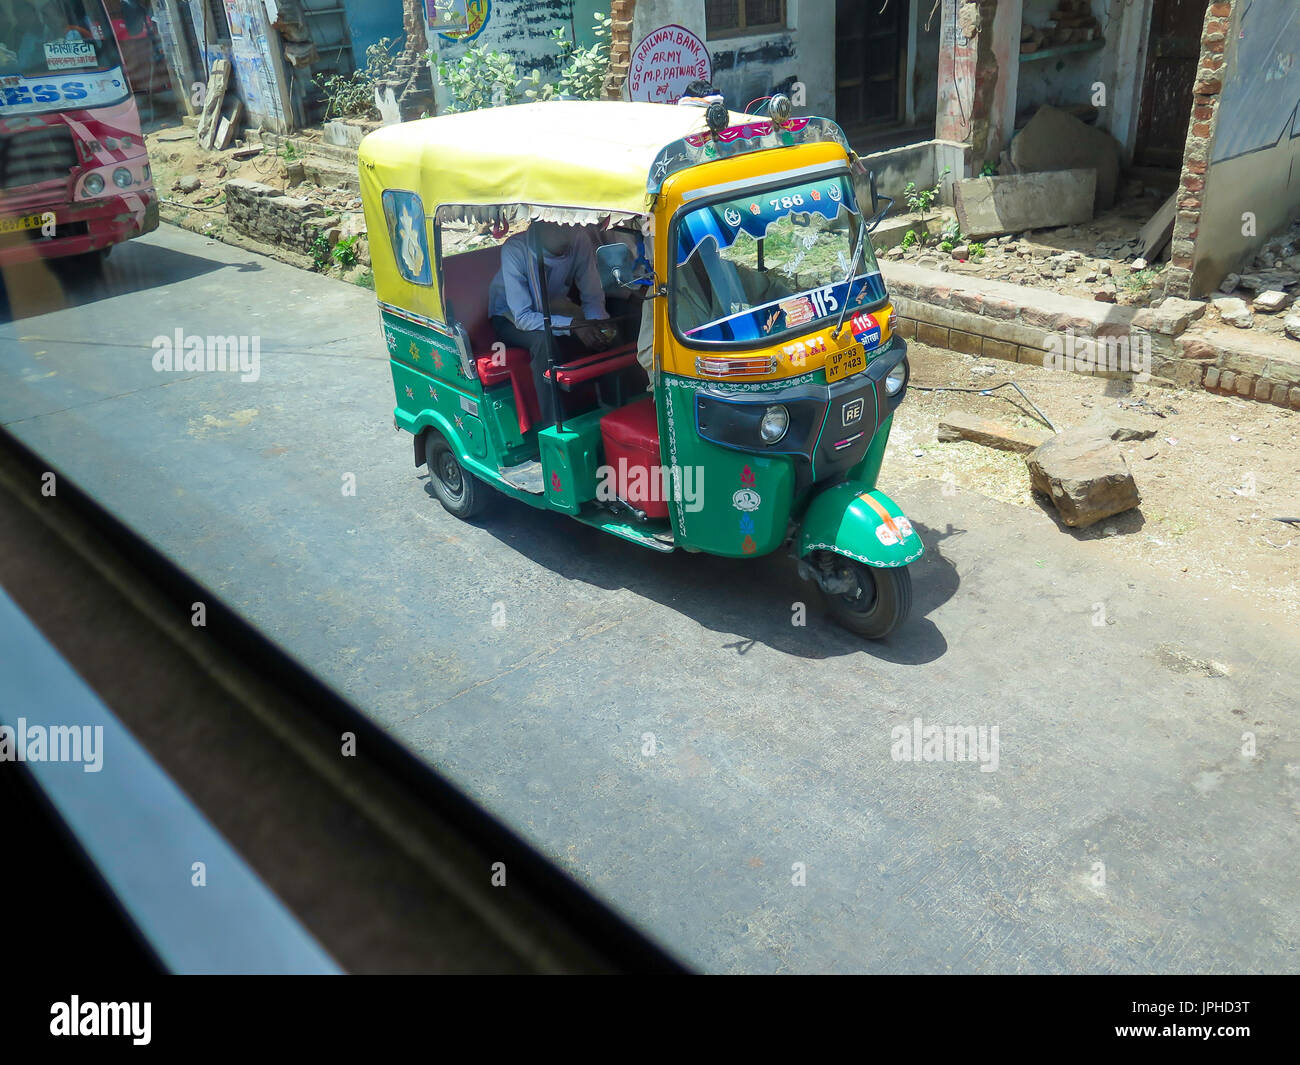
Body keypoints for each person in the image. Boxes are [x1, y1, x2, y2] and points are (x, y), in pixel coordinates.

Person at [488, 220, 614, 429]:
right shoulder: (515, 249)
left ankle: (613, 407)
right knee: (543, 342)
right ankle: (555, 426)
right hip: (510, 317)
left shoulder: (578, 238)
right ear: (543, 223)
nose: (569, 228)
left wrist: (597, 325)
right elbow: (523, 317)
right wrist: (574, 325)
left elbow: (592, 296)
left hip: (555, 308)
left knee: (609, 332)